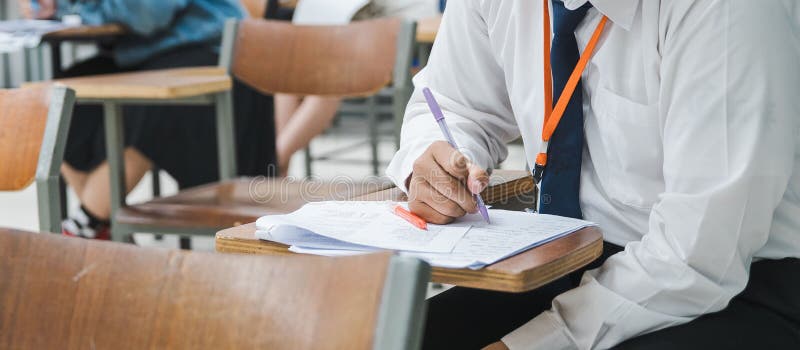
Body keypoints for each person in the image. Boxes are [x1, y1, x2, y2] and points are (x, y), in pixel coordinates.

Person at [386, 0, 800, 349]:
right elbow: (453, 104)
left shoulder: (726, 10)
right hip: (562, 259)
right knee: (387, 336)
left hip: (735, 283)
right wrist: (436, 160)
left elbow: (701, 253)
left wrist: (524, 345)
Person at [22, 0, 277, 240]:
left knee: (149, 107)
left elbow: (147, 13)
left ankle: (89, 223)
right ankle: (101, 224)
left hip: (216, 57)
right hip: (148, 55)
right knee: (55, 99)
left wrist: (81, 11)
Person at [274, 0, 437, 176]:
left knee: (327, 83)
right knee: (288, 79)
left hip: (387, 38)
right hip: (341, 35)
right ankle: (276, 170)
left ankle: (271, 162)